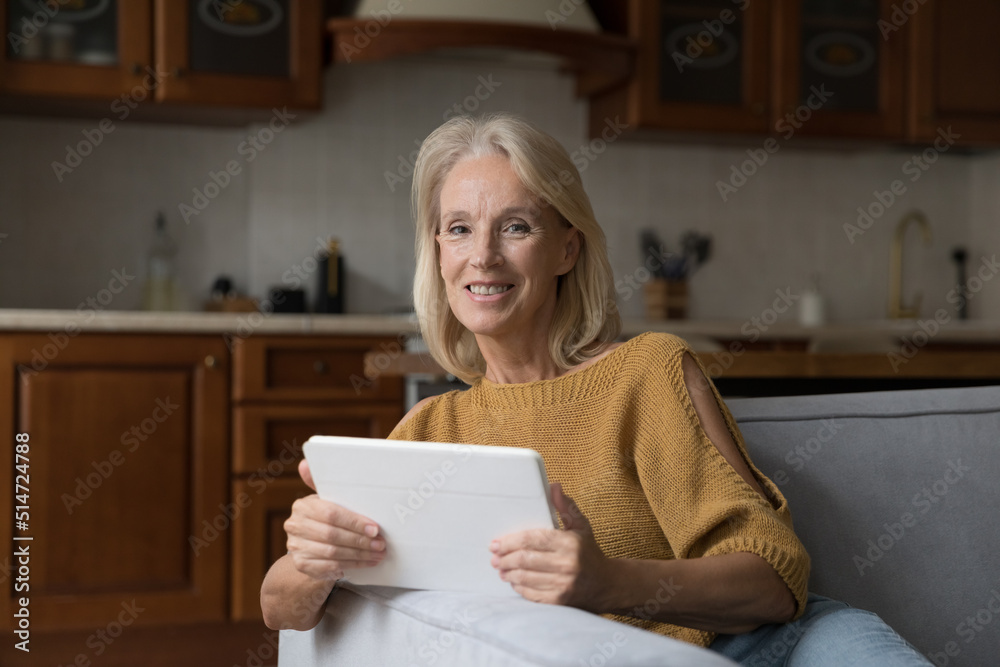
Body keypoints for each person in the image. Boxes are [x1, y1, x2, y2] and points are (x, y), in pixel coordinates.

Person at [260, 113, 932, 666]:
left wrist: (605, 580)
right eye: (459, 228)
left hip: (774, 645)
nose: (483, 255)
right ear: (437, 252)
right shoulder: (432, 429)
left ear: (566, 249)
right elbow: (280, 606)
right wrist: (313, 557)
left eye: (515, 225)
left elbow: (776, 580)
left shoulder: (647, 372)